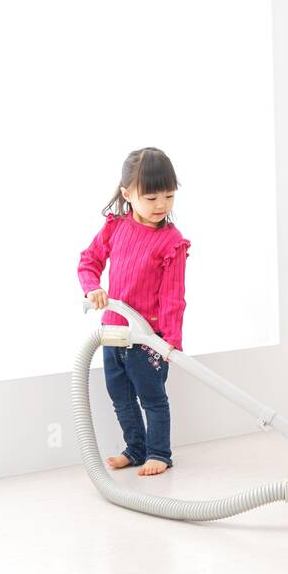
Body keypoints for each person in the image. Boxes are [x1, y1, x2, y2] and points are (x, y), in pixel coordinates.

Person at [77, 146, 191, 477]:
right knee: (121, 396)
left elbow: (173, 298)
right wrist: (92, 287)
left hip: (148, 340)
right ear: (128, 194)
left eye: (169, 196)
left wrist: (170, 341)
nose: (162, 205)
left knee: (152, 398)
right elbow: (88, 261)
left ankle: (159, 453)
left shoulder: (172, 243)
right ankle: (135, 448)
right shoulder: (115, 228)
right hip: (113, 332)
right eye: (152, 197)